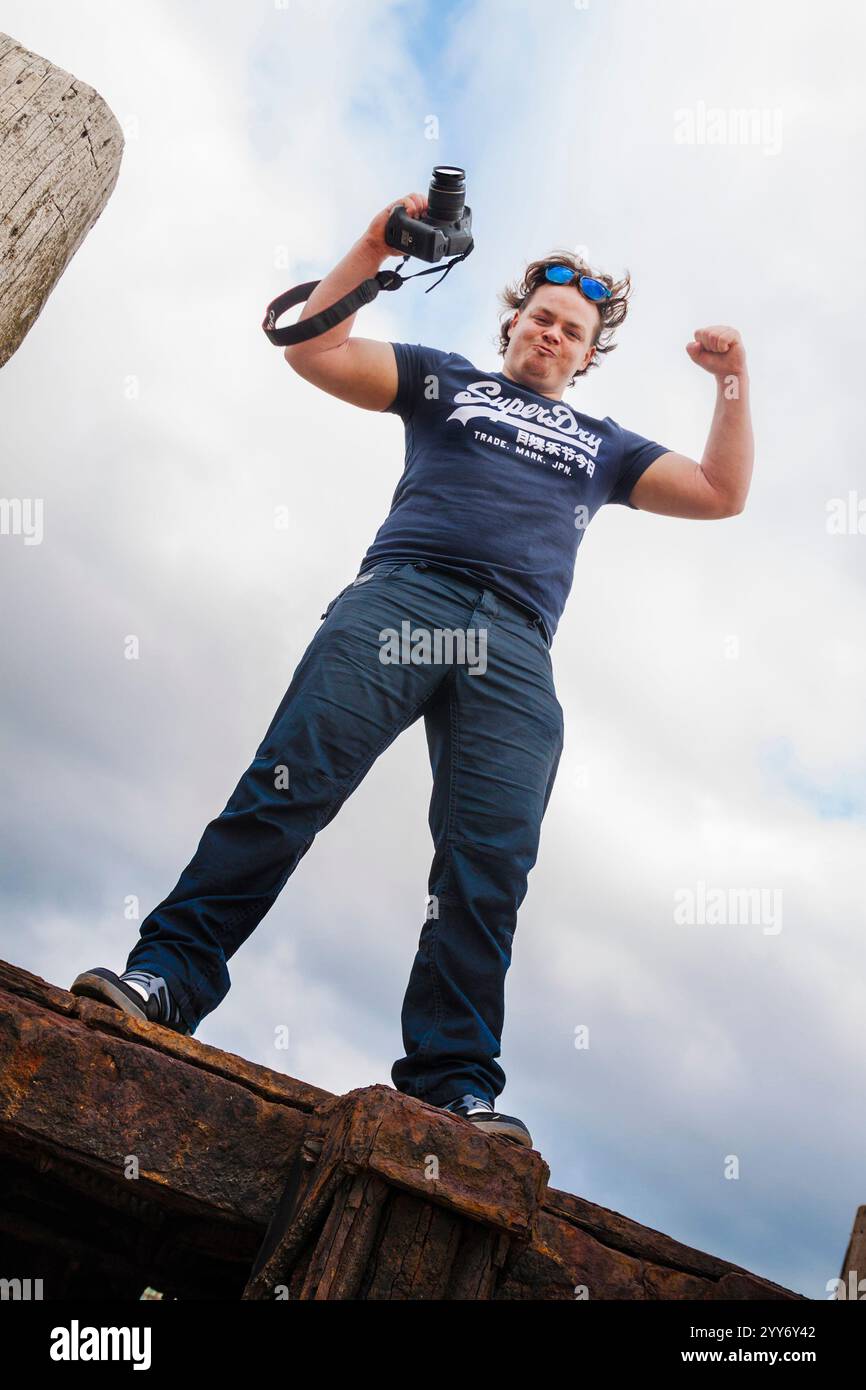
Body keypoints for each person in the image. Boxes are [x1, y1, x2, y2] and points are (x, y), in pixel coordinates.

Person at [71, 193, 753, 1149]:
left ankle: (452, 1087)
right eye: (541, 318)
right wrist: (376, 243)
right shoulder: (445, 382)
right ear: (511, 321)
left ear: (589, 355)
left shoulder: (604, 447)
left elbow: (722, 494)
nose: (551, 336)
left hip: (514, 646)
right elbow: (311, 345)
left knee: (488, 865)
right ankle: (168, 977)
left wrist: (731, 380)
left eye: (572, 332)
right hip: (406, 600)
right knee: (289, 787)